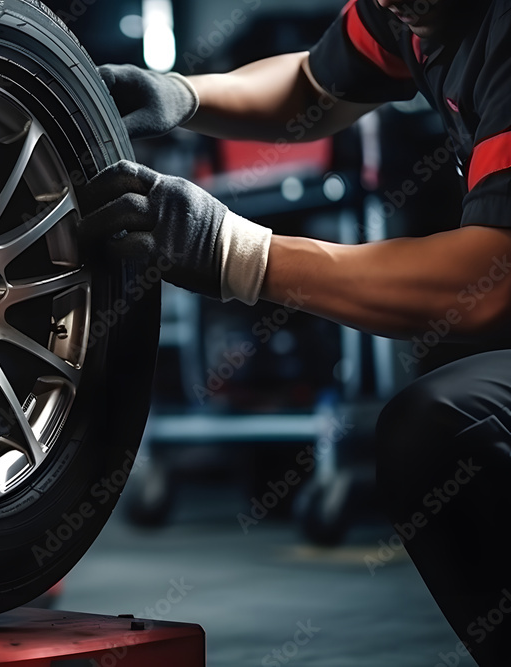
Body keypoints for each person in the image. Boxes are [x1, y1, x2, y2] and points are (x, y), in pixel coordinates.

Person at [83, 0, 511, 663]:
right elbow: (312, 86)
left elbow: (488, 281)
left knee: (441, 428)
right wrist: (181, 94)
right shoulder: (411, 9)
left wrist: (240, 254)